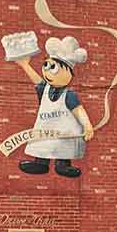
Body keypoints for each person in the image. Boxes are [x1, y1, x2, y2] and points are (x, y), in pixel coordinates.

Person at [14, 35, 94, 178]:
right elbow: (37, 81)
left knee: (62, 148)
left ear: (69, 74)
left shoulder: (69, 95)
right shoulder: (45, 89)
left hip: (65, 130)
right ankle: (40, 163)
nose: (48, 72)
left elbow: (79, 111)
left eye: (54, 68)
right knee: (43, 145)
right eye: (47, 66)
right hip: (46, 127)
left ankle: (63, 165)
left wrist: (88, 126)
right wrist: (25, 65)